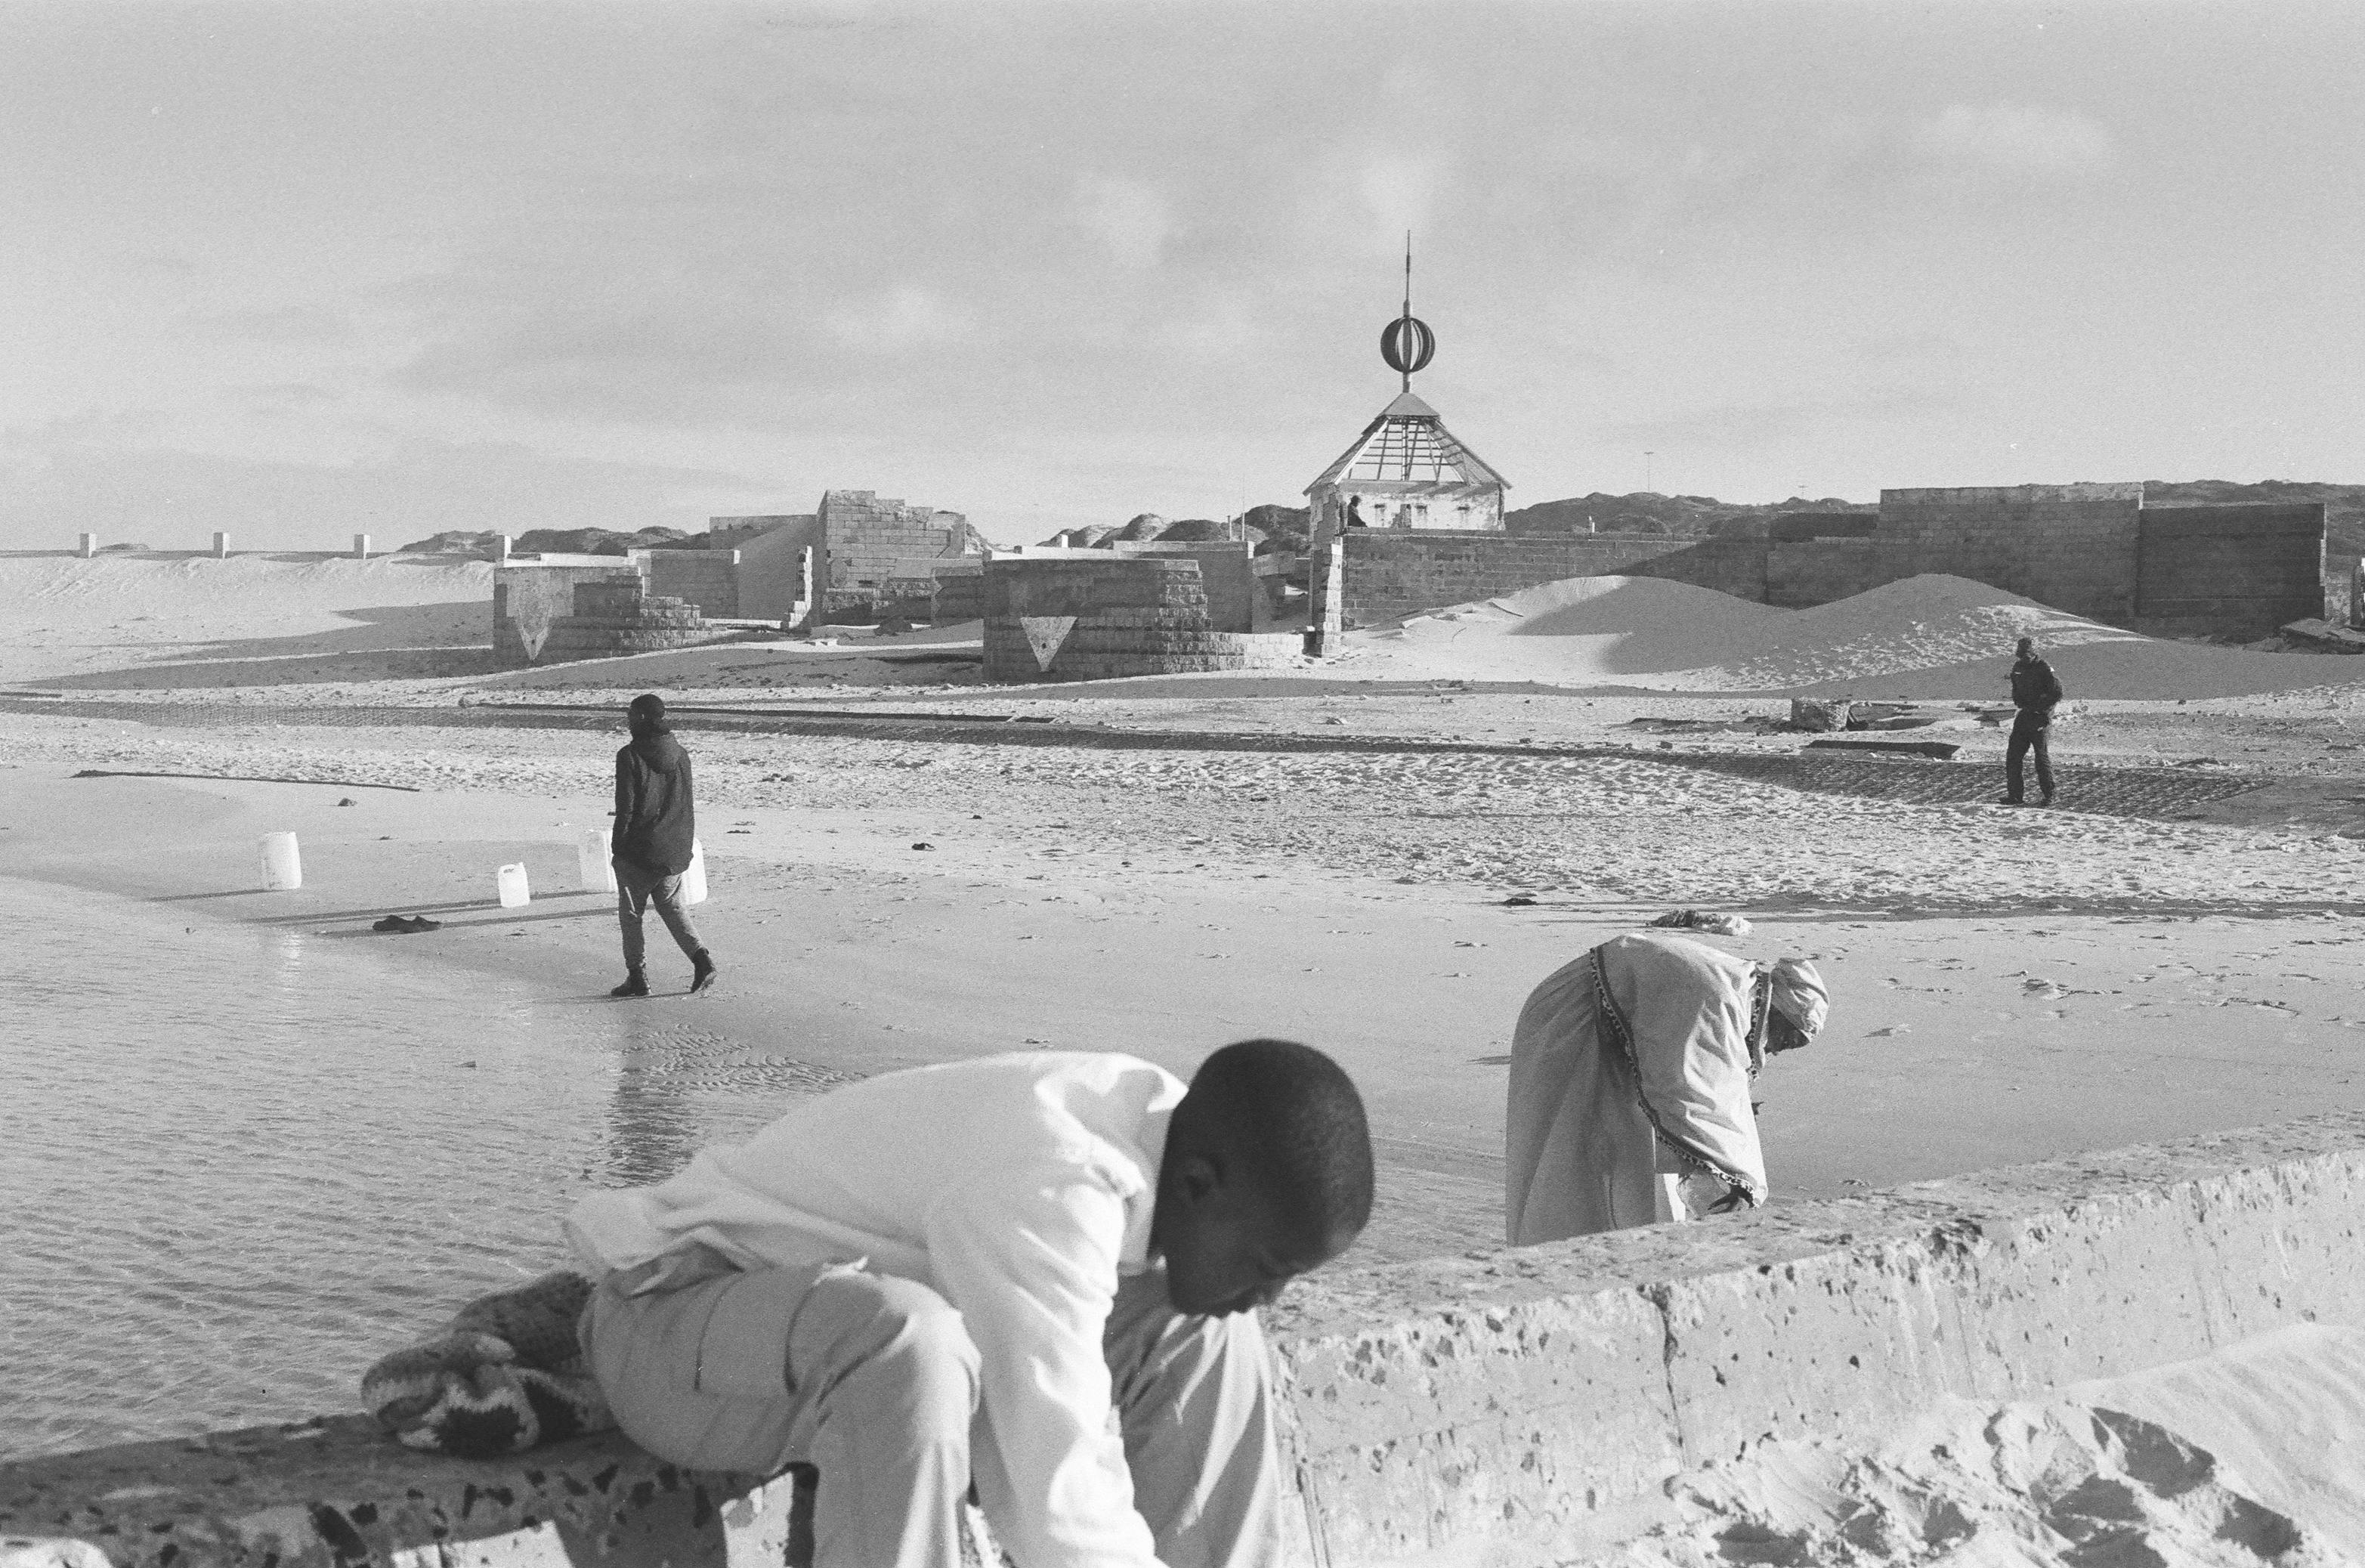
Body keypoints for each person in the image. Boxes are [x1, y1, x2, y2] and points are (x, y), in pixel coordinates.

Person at [563, 1041, 1373, 1568]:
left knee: (1201, 1329)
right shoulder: (1059, 1180)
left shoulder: (1181, 1132)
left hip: (815, 1333)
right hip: (666, 1315)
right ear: (1197, 1185)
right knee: (909, 1344)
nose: (1270, 1295)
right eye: (1269, 1266)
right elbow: (1051, 1497)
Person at [1504, 931, 1827, 1246]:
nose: (1781, 1048)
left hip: (1614, 1023)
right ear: (1776, 1009)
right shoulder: (1718, 997)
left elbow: (1708, 1085)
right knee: (1574, 1145)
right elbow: (1688, 1095)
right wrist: (1735, 1182)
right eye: (1789, 1038)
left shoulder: (1736, 991)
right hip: (1576, 1019)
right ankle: (1568, 1251)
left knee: (1634, 1150)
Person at [611, 693, 716, 997]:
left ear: (642, 719)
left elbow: (627, 808)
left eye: (631, 715)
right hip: (674, 848)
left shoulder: (629, 755)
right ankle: (702, 960)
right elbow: (686, 805)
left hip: (640, 850)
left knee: (631, 915)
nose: (628, 721)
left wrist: (618, 850)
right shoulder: (681, 754)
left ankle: (637, 977)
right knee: (670, 905)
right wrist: (683, 848)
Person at [2002, 635, 2063, 806]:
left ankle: (2050, 795)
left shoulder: (2044, 669)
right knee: (2013, 757)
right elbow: (2015, 688)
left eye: (2027, 653)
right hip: (2024, 716)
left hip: (2040, 718)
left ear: (2034, 652)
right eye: (2021, 654)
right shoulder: (2018, 668)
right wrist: (2019, 701)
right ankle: (2015, 796)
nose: (2024, 657)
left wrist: (2041, 709)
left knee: (2041, 758)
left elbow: (2057, 693)